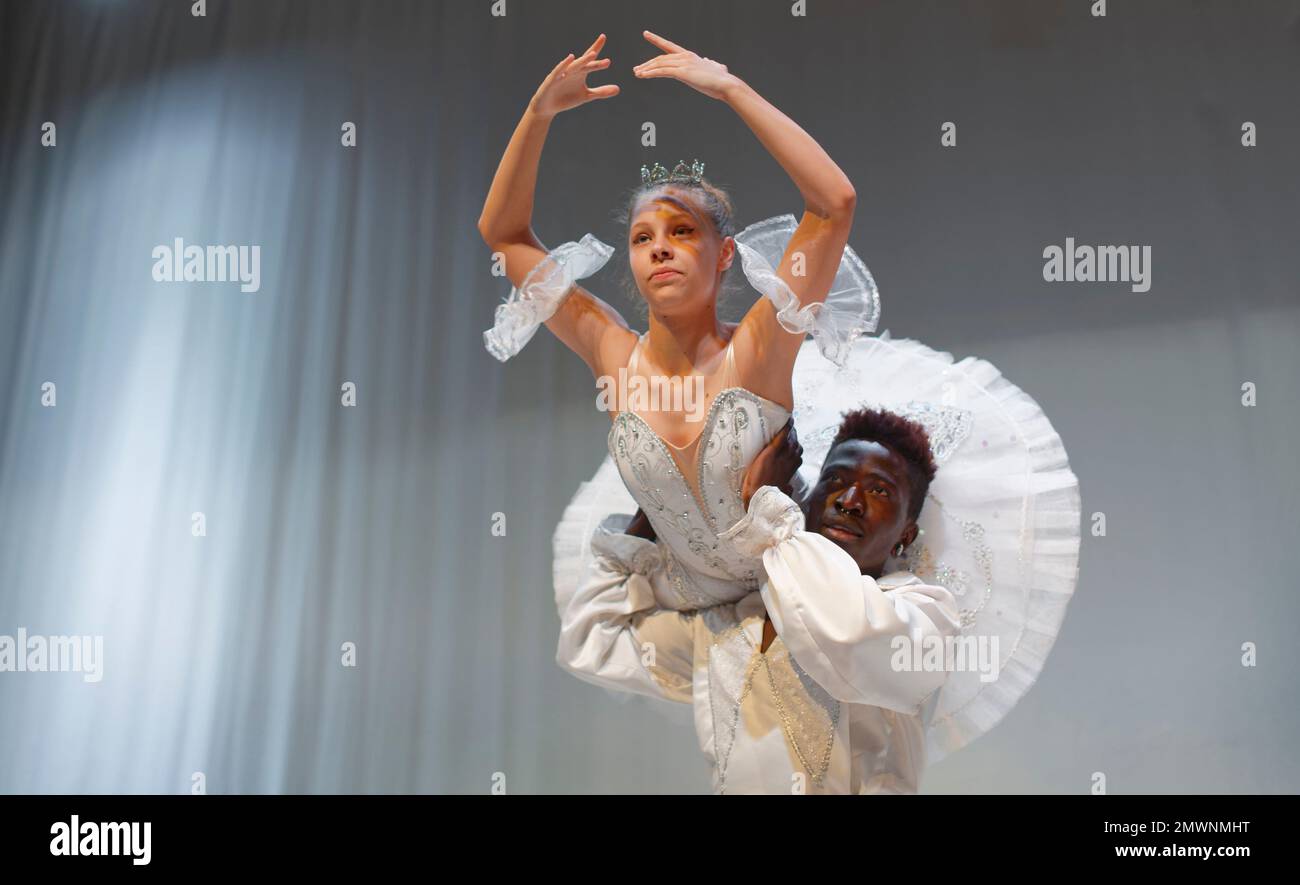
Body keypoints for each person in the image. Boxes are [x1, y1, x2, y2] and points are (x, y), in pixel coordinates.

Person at [479, 31, 880, 612]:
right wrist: (537, 114)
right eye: (644, 238)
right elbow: (504, 235)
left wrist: (732, 89)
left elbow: (833, 203)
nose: (660, 248)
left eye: (683, 231)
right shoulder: (612, 352)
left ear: (724, 254)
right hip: (687, 613)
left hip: (794, 610)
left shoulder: (760, 347)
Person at [557, 407, 964, 794]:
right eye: (836, 480)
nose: (849, 500)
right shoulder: (732, 625)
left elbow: (848, 632)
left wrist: (768, 511)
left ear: (906, 534)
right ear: (809, 499)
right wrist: (657, 514)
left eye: (879, 490)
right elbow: (593, 642)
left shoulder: (924, 614)